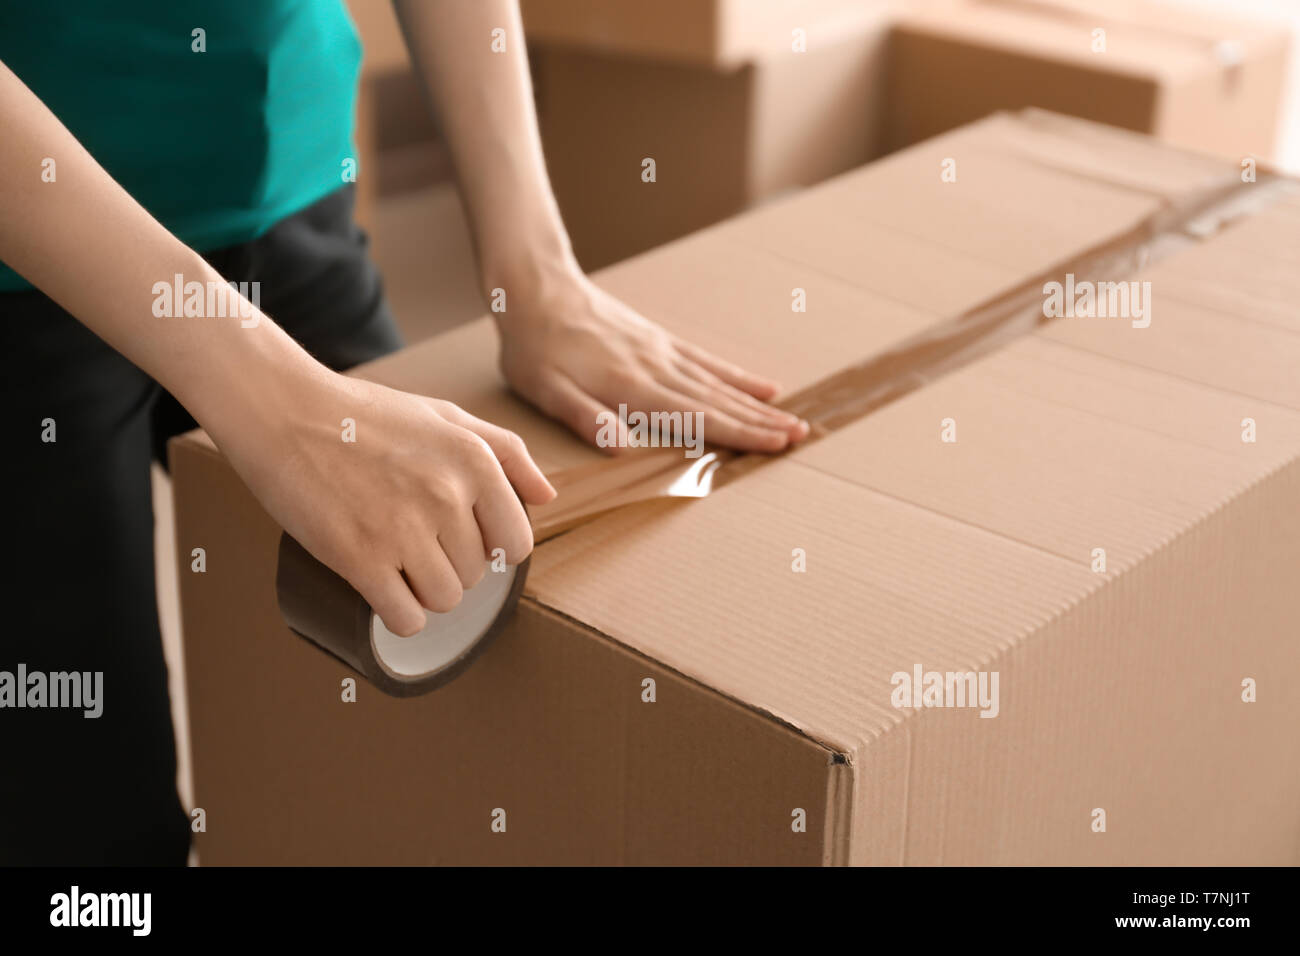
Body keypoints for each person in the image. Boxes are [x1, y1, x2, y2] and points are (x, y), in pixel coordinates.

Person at [0, 1, 808, 865]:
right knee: (82, 820)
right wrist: (284, 413)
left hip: (287, 177)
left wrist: (535, 276)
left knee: (437, 651)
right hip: (31, 246)